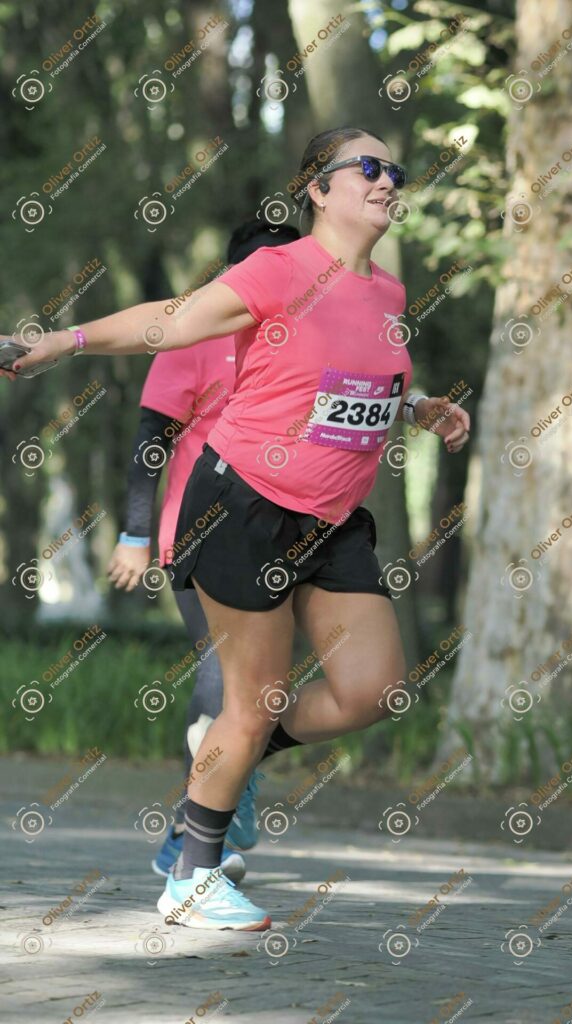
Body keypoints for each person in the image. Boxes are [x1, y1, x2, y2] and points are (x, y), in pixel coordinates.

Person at [3, 125, 471, 932]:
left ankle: (229, 747)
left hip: (333, 522)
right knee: (253, 702)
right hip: (243, 506)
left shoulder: (390, 293)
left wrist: (419, 408)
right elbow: (172, 321)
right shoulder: (280, 268)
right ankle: (190, 879)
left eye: (393, 169)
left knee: (373, 690)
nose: (387, 180)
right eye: (367, 167)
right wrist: (63, 341)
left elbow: (346, 382)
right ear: (317, 188)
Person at [106, 219, 300, 883]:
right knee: (222, 669)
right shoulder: (195, 334)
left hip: (283, 535)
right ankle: (188, 840)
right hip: (198, 532)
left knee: (263, 686)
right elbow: (150, 442)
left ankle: (225, 796)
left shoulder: (306, 338)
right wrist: (134, 535)